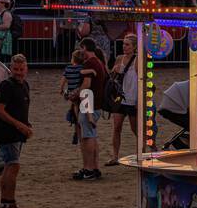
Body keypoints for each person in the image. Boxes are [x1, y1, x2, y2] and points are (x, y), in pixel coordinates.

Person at [0, 54, 33, 208]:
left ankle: (5, 204)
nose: (18, 73)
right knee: (13, 165)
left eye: (21, 69)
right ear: (11, 68)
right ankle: (9, 203)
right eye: (15, 69)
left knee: (9, 165)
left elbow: (20, 108)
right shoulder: (6, 86)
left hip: (16, 132)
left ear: (26, 69)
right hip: (7, 131)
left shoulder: (24, 85)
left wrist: (26, 124)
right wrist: (20, 125)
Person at [72, 41, 109, 180]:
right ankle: (94, 167)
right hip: (96, 104)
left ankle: (88, 168)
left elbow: (86, 85)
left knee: (87, 136)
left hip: (89, 103)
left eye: (81, 48)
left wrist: (75, 94)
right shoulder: (99, 62)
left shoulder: (90, 63)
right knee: (91, 135)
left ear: (85, 48)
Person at [108, 33, 138, 166]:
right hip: (120, 97)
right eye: (123, 44)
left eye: (127, 44)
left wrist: (139, 100)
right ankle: (115, 156)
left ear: (134, 47)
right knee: (116, 127)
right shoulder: (119, 58)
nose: (124, 47)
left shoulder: (138, 60)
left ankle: (142, 153)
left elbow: (141, 79)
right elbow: (111, 77)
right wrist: (114, 70)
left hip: (132, 97)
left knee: (135, 129)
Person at [59, 48, 95, 145]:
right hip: (78, 90)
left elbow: (63, 80)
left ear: (72, 59)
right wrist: (91, 70)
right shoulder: (81, 68)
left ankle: (77, 120)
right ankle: (90, 117)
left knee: (75, 105)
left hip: (70, 92)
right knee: (84, 99)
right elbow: (84, 73)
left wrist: (61, 89)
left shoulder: (68, 68)